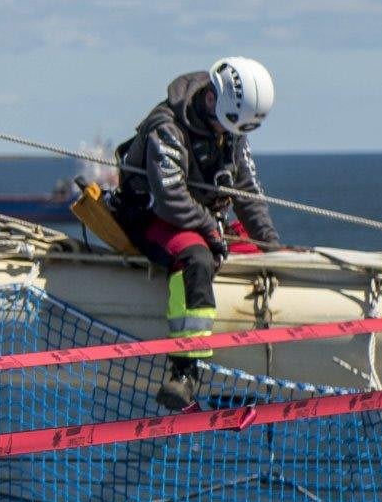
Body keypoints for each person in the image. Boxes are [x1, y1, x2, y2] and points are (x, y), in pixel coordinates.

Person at [110, 58, 282, 409]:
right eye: (225, 124)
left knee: (257, 249)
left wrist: (270, 245)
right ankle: (184, 371)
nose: (227, 134)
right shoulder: (167, 127)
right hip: (154, 216)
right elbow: (170, 199)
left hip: (202, 217)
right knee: (196, 259)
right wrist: (211, 231)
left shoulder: (230, 131)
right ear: (210, 99)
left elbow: (247, 192)